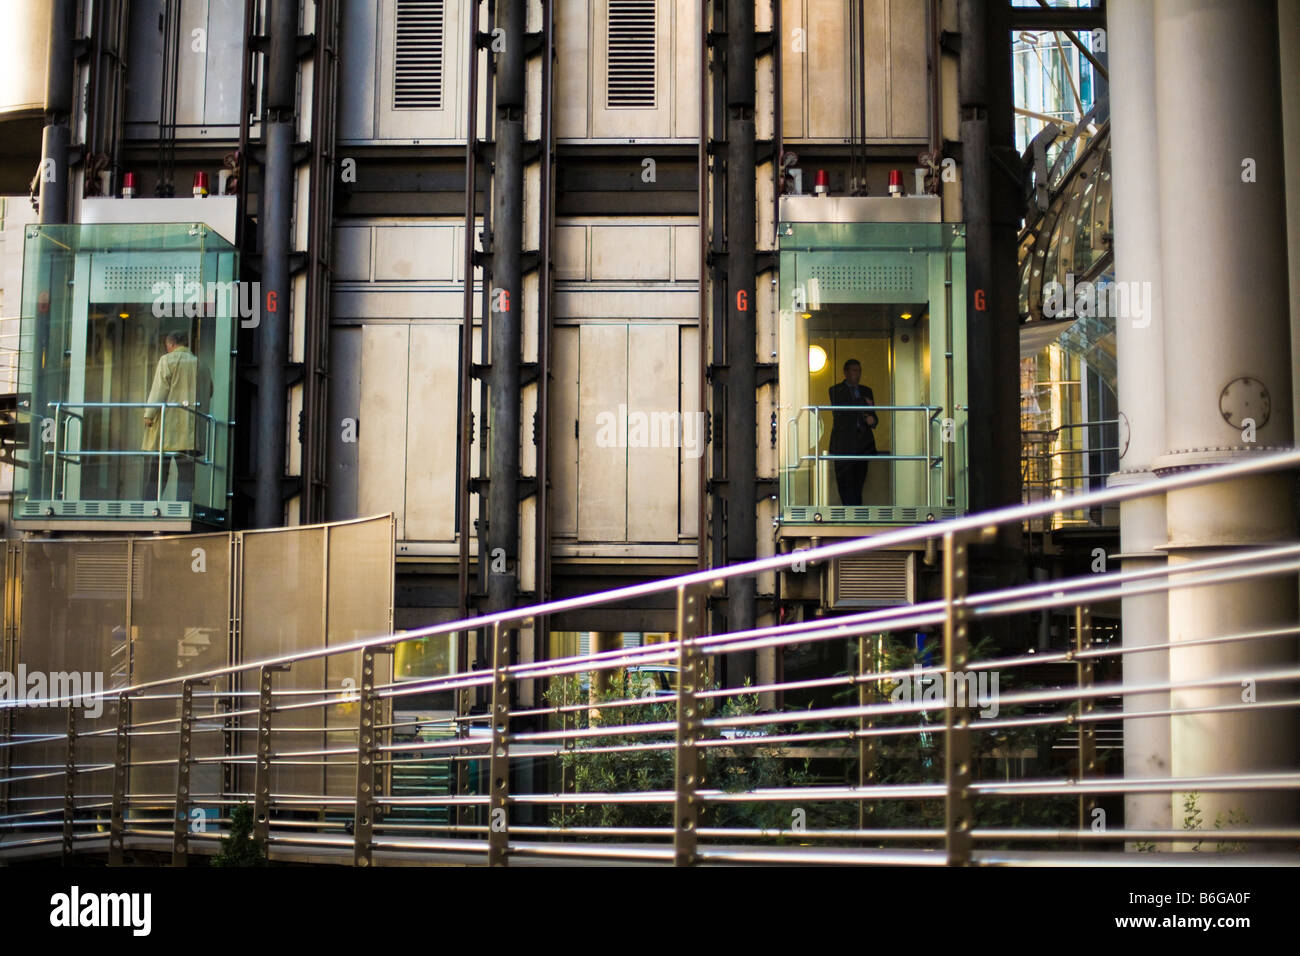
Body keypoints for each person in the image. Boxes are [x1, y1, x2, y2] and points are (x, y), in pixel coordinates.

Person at [141, 331, 201, 501]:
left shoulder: (167, 360)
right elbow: (208, 390)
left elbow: (159, 389)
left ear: (171, 344)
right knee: (186, 473)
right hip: (190, 427)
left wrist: (149, 414)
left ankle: (149, 505)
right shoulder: (199, 364)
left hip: (169, 426)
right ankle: (183, 505)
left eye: (167, 346)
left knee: (158, 470)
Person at [827, 358, 877, 506]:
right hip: (844, 444)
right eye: (854, 370)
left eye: (859, 371)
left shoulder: (866, 390)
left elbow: (873, 415)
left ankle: (857, 514)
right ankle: (849, 516)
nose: (858, 374)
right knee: (845, 484)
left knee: (858, 484)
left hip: (863, 444)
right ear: (846, 372)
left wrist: (872, 420)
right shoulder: (835, 390)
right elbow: (843, 411)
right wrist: (863, 402)